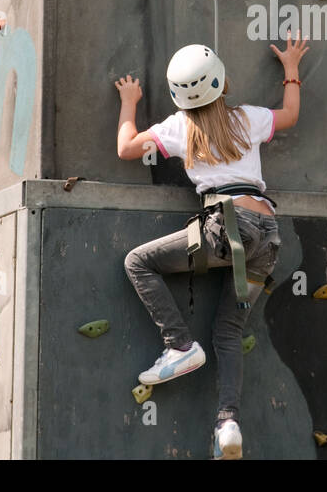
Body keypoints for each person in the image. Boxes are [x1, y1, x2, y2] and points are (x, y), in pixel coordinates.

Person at [114, 31, 309, 459]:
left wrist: (130, 99)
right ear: (221, 80)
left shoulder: (179, 126)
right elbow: (291, 115)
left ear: (177, 95)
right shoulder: (247, 118)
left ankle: (180, 346)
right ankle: (228, 423)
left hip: (225, 230)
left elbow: (126, 147)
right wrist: (291, 67)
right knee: (229, 331)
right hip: (266, 236)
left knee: (138, 263)